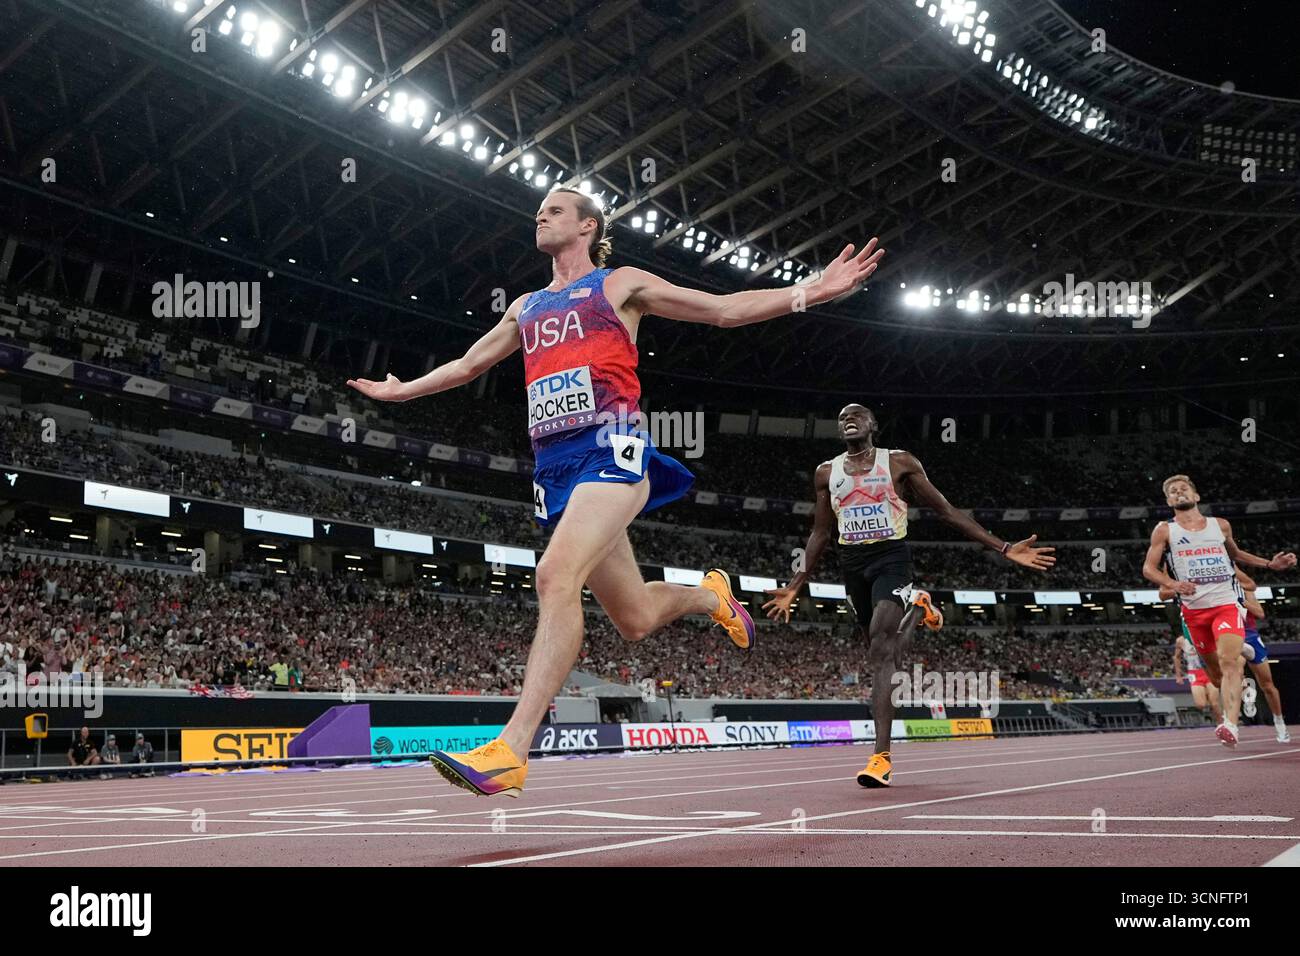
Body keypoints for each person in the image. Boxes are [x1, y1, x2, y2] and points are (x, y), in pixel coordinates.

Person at [348, 188, 885, 797]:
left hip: (613, 451)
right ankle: (713, 599)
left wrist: (811, 289)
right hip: (555, 468)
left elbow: (722, 309)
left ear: (588, 226)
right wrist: (402, 391)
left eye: (554, 210)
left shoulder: (618, 285)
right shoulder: (525, 306)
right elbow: (468, 367)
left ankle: (511, 749)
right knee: (634, 619)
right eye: (538, 211)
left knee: (555, 576)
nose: (539, 216)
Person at [762, 404, 1055, 786]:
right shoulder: (826, 473)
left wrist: (1003, 548)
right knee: (884, 653)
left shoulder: (899, 463)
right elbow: (820, 533)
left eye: (858, 415)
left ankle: (880, 757)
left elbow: (946, 511)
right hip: (852, 565)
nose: (849, 419)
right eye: (841, 418)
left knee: (882, 652)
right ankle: (919, 606)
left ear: (873, 426)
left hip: (890, 559)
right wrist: (795, 585)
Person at [1141, 474, 1296, 746]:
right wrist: (1173, 583)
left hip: (1225, 605)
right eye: (1173, 491)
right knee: (1215, 674)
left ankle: (1231, 725)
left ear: (1196, 496)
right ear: (1168, 501)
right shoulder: (1164, 530)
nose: (1179, 493)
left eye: (1184, 489)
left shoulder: (1220, 526)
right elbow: (1149, 569)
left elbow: (1235, 555)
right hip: (1193, 612)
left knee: (1229, 662)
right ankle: (1235, 697)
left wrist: (1270, 565)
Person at [1236, 569, 1291, 743]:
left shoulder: (1245, 589)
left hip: (1250, 636)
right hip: (1231, 635)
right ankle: (1248, 695)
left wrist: (1242, 601)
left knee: (1267, 684)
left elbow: (1260, 613)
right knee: (1235, 671)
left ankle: (1279, 721)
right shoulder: (1215, 592)